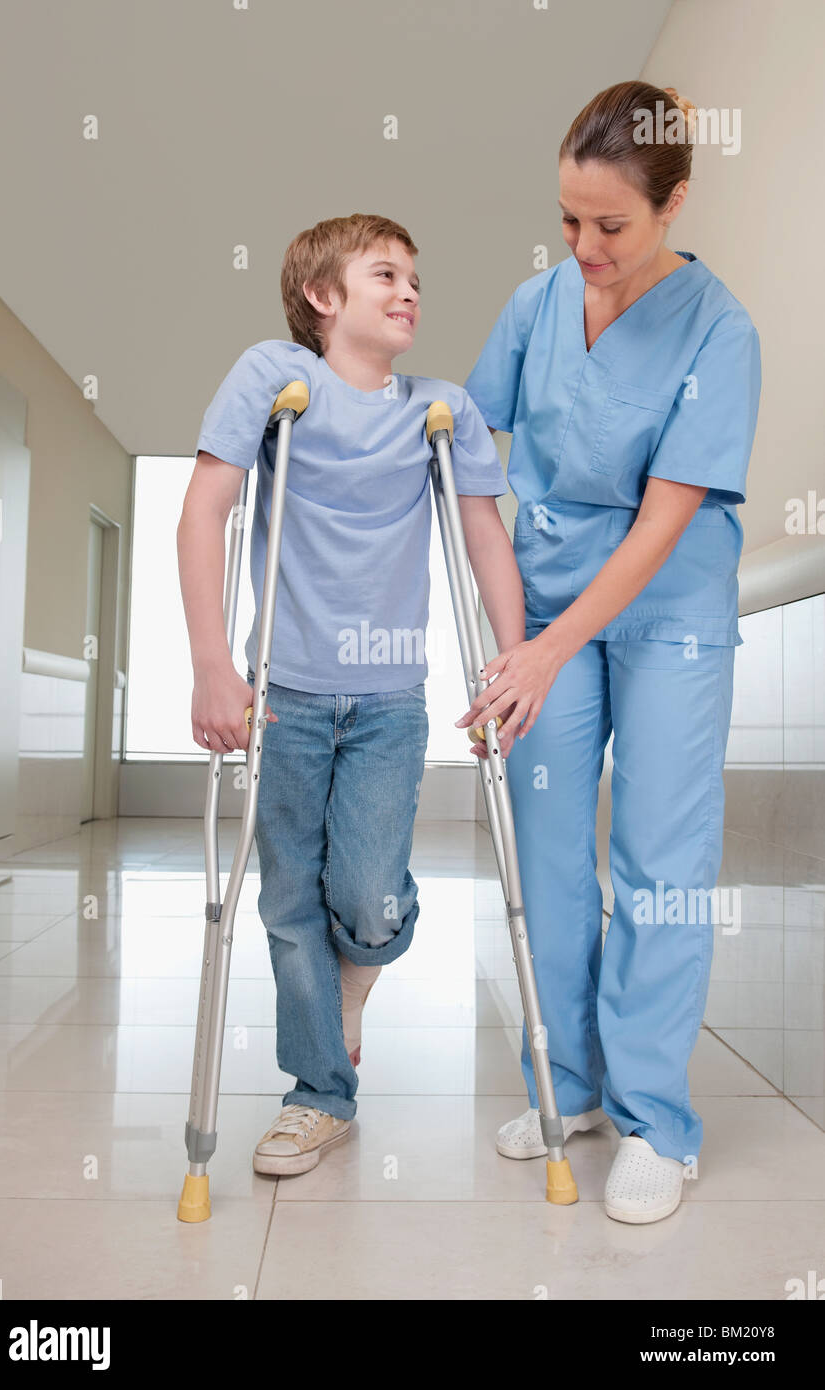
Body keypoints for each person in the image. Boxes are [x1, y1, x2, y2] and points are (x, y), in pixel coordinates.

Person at [455, 81, 762, 1224]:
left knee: (657, 859)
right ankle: (566, 1087)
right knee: (544, 850)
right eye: (567, 221)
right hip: (540, 617)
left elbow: (660, 522)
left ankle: (655, 1122)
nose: (582, 248)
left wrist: (547, 648)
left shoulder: (718, 329)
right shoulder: (537, 302)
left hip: (661, 607)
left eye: (610, 226)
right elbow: (479, 461)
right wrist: (512, 643)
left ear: (672, 203)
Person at [177, 213, 521, 1176]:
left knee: (366, 901)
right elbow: (206, 506)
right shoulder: (272, 375)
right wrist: (214, 664)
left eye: (416, 276)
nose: (410, 291)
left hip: (387, 703)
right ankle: (317, 1094)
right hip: (284, 694)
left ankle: (349, 998)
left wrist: (514, 657)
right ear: (324, 298)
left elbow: (483, 538)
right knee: (290, 904)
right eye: (386, 274)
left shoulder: (439, 407)